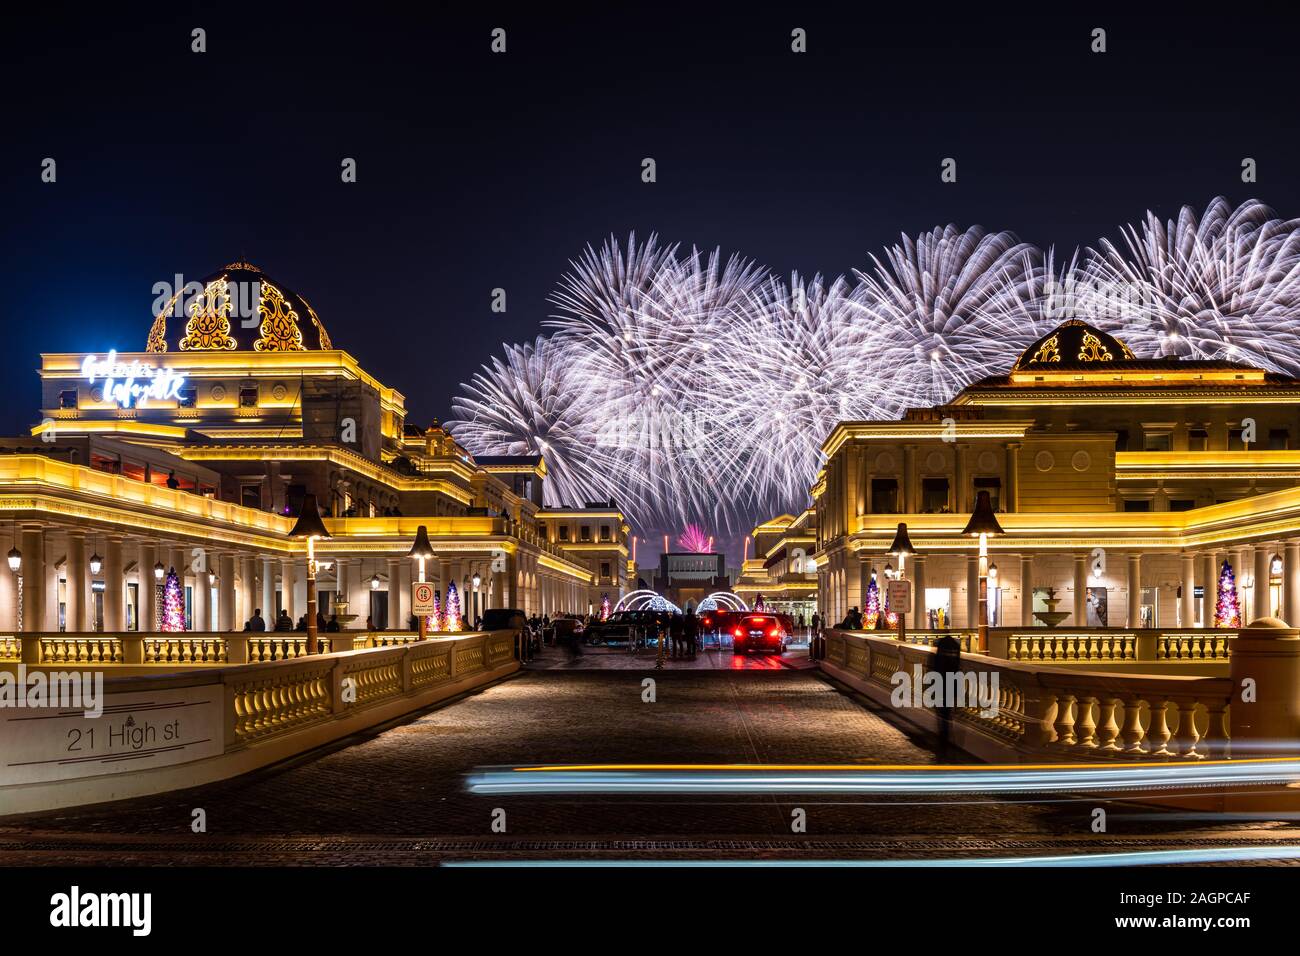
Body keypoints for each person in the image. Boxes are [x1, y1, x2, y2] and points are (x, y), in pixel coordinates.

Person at [928, 633, 963, 761]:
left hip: (939, 685)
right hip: (950, 685)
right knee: (946, 713)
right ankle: (945, 739)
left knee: (941, 713)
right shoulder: (954, 649)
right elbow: (957, 668)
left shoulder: (940, 651)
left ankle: (943, 740)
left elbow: (934, 668)